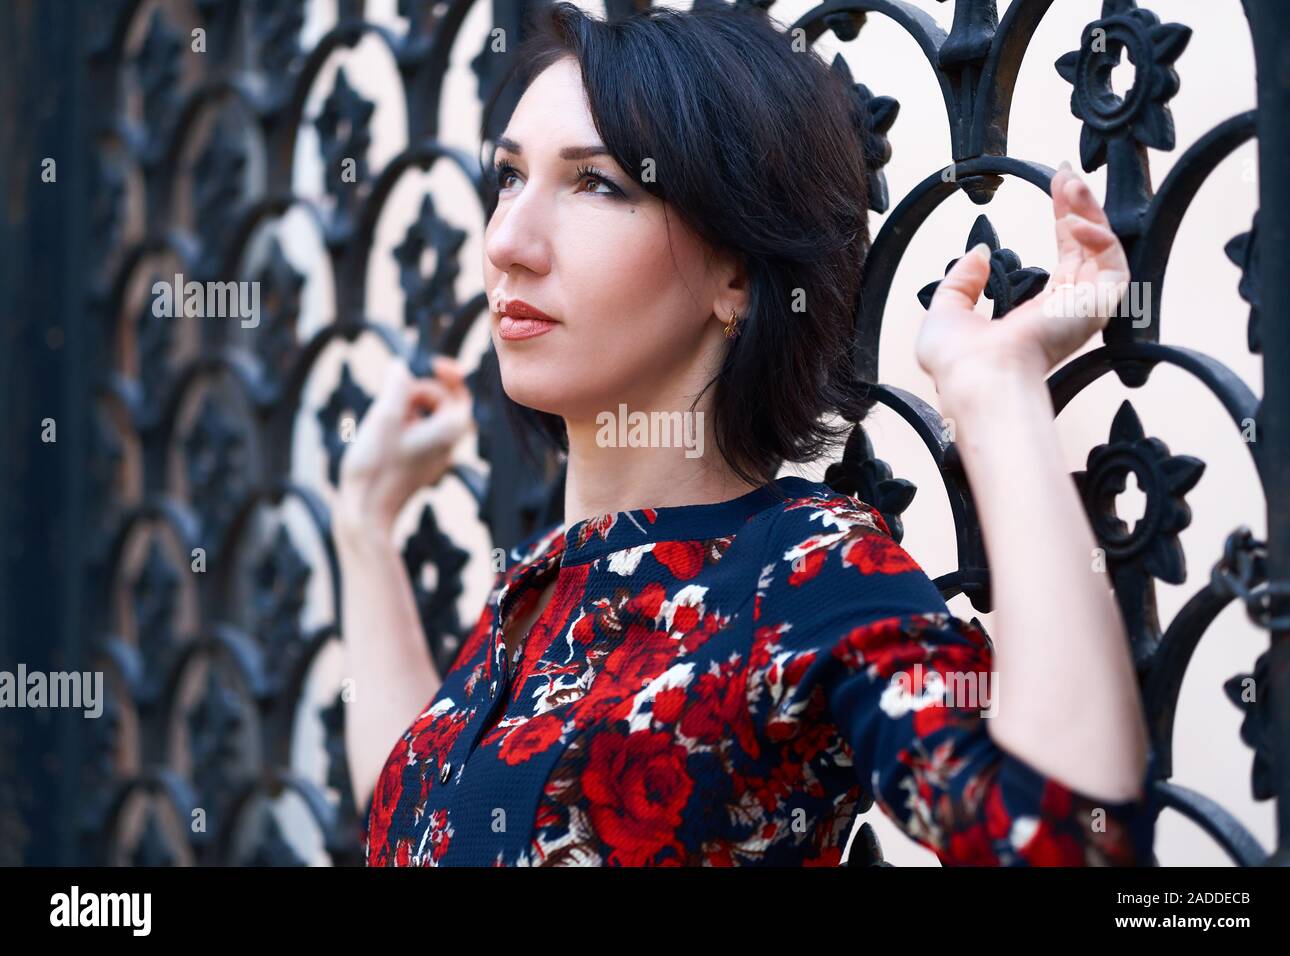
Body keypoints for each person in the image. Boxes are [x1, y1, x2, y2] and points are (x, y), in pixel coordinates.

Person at [334, 1, 1157, 866]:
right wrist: (363, 524)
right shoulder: (537, 590)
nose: (507, 241)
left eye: (597, 184)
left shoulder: (800, 569)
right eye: (508, 176)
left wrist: (995, 391)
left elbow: (1066, 843)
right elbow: (416, 815)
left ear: (735, 273)